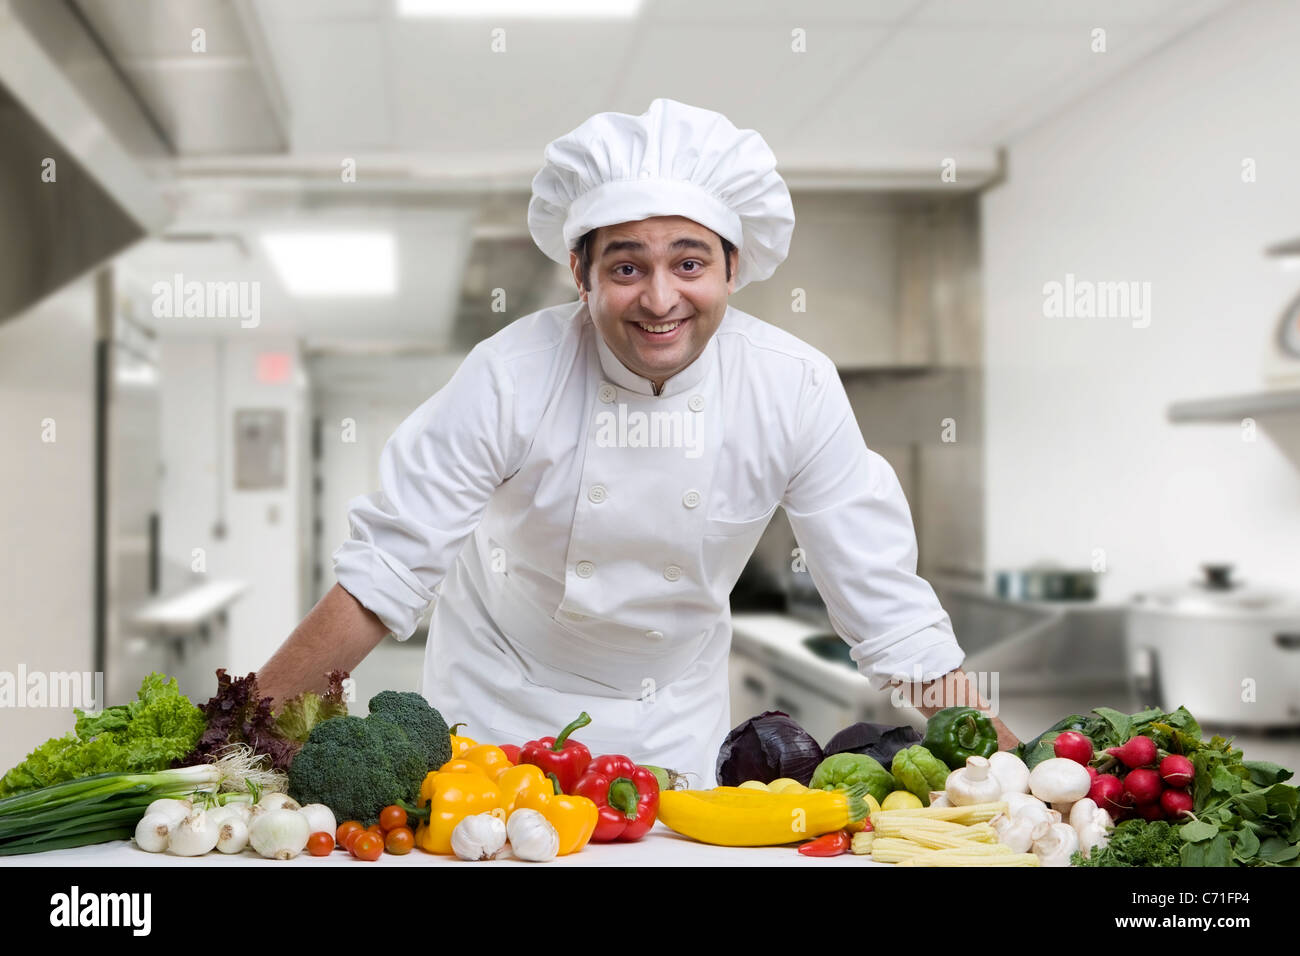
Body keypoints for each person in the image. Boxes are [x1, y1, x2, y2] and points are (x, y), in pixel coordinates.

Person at [257, 99, 1018, 782]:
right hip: (495, 706)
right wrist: (232, 739)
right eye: (626, 266)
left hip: (670, 723)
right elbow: (387, 571)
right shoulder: (510, 377)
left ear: (733, 266)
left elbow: (889, 611)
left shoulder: (793, 388)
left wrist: (1015, 770)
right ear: (579, 273)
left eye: (689, 262)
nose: (660, 299)